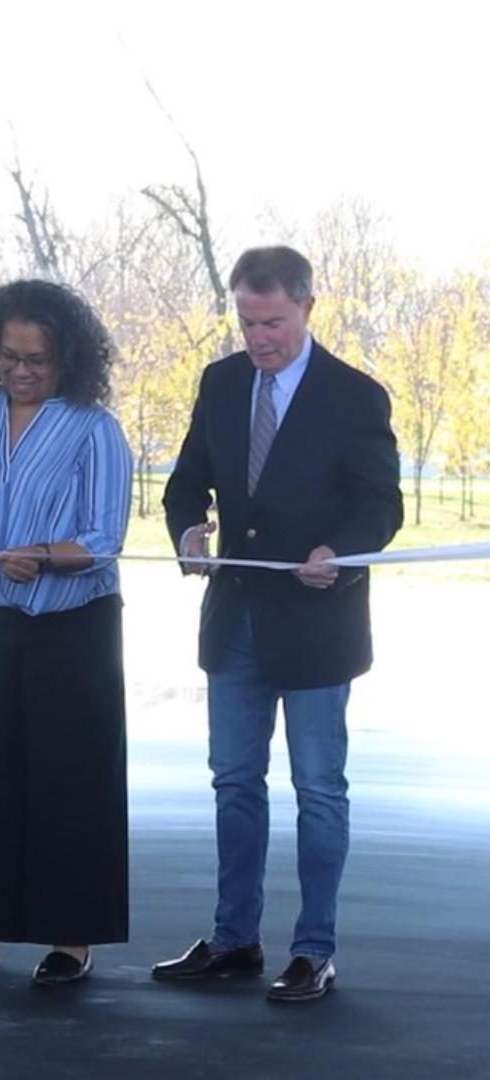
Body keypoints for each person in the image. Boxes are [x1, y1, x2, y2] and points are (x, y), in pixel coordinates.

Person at [155, 246, 403, 1003]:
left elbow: (381, 504)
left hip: (318, 627)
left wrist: (342, 552)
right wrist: (191, 534)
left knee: (318, 789)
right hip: (233, 622)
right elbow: (185, 485)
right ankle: (234, 939)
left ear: (306, 308)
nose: (258, 337)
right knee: (234, 783)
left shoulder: (355, 396)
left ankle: (313, 951)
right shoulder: (220, 383)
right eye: (246, 321)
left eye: (272, 322)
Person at [0, 279, 133, 986]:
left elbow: (104, 538)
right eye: (9, 357)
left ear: (67, 358)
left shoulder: (95, 428)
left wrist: (40, 555)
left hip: (73, 628)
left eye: (37, 358)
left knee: (72, 780)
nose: (22, 371)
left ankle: (72, 938)